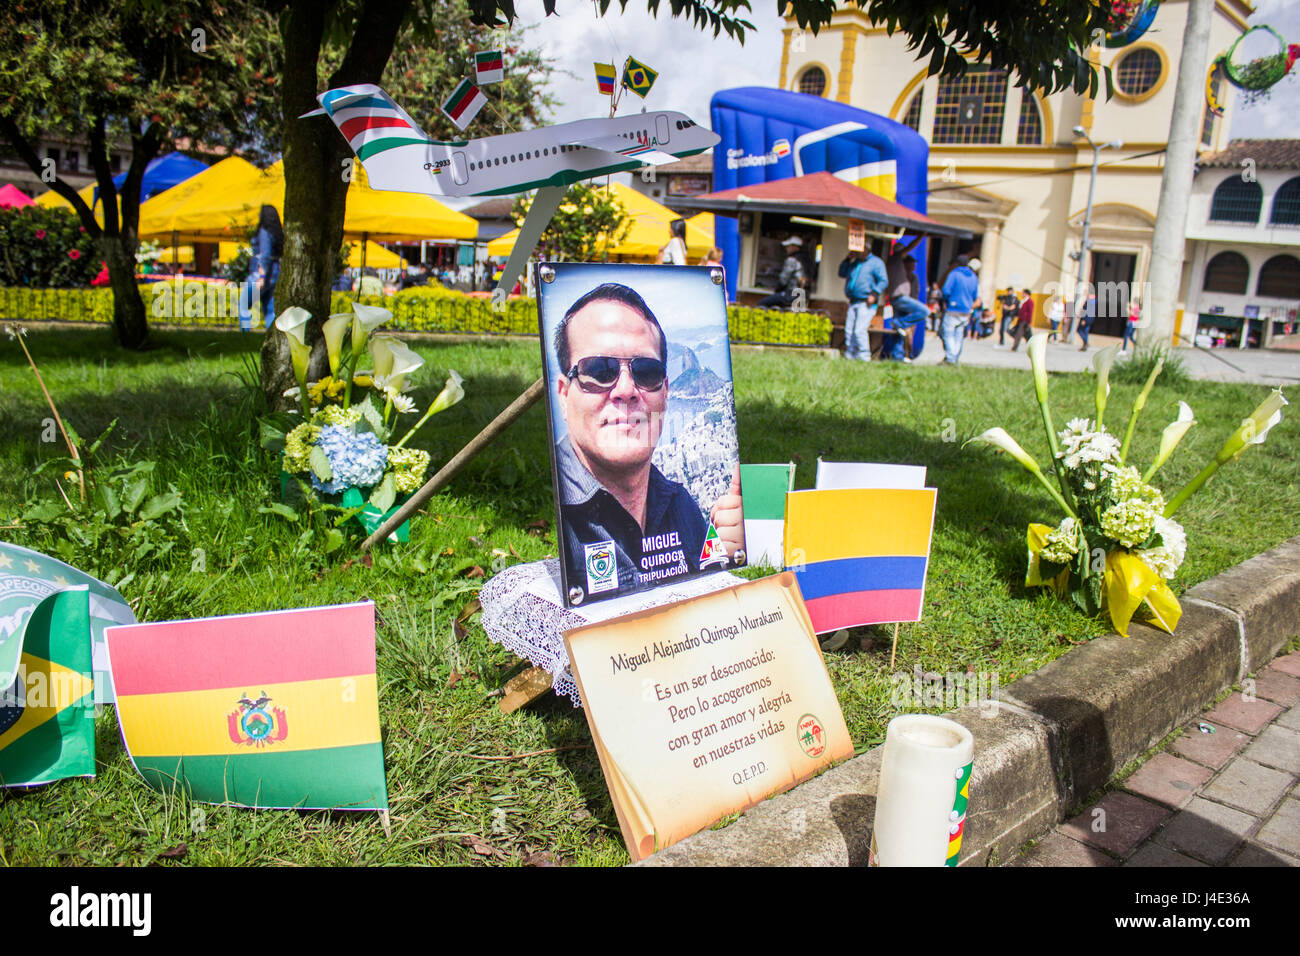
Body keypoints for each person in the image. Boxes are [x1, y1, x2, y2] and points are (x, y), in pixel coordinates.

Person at [552, 282, 745, 597]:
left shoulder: (681, 506)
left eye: (647, 372)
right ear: (563, 395)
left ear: (665, 393)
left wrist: (724, 555)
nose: (626, 390)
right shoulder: (562, 516)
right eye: (599, 370)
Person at [838, 244, 887, 361]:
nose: (856, 251)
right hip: (853, 301)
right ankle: (850, 355)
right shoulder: (854, 263)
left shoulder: (876, 263)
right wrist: (847, 259)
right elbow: (841, 273)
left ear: (866, 249)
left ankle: (864, 356)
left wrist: (874, 294)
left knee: (859, 330)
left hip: (866, 302)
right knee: (849, 330)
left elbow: (883, 281)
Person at [884, 237, 927, 361]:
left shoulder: (896, 265)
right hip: (899, 297)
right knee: (924, 311)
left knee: (900, 332)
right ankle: (898, 324)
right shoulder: (896, 259)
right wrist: (921, 236)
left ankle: (897, 357)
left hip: (898, 298)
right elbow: (910, 247)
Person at [940, 254, 981, 365]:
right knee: (959, 334)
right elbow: (975, 295)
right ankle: (955, 357)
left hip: (953, 308)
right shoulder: (973, 277)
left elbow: (946, 290)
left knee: (948, 333)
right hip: (966, 310)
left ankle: (950, 357)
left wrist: (947, 300)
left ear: (957, 263)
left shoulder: (954, 274)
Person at [250, 205, 283, 329]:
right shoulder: (276, 233)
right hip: (275, 272)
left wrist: (261, 276)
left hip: (263, 274)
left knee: (243, 304)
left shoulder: (264, 232)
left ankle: (243, 334)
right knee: (270, 308)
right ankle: (271, 333)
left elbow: (265, 255)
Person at [758, 237, 805, 309]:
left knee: (762, 304)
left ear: (794, 247)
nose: (786, 249)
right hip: (801, 296)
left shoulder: (792, 259)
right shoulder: (805, 261)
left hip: (790, 294)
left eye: (788, 246)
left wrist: (777, 290)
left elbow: (783, 279)